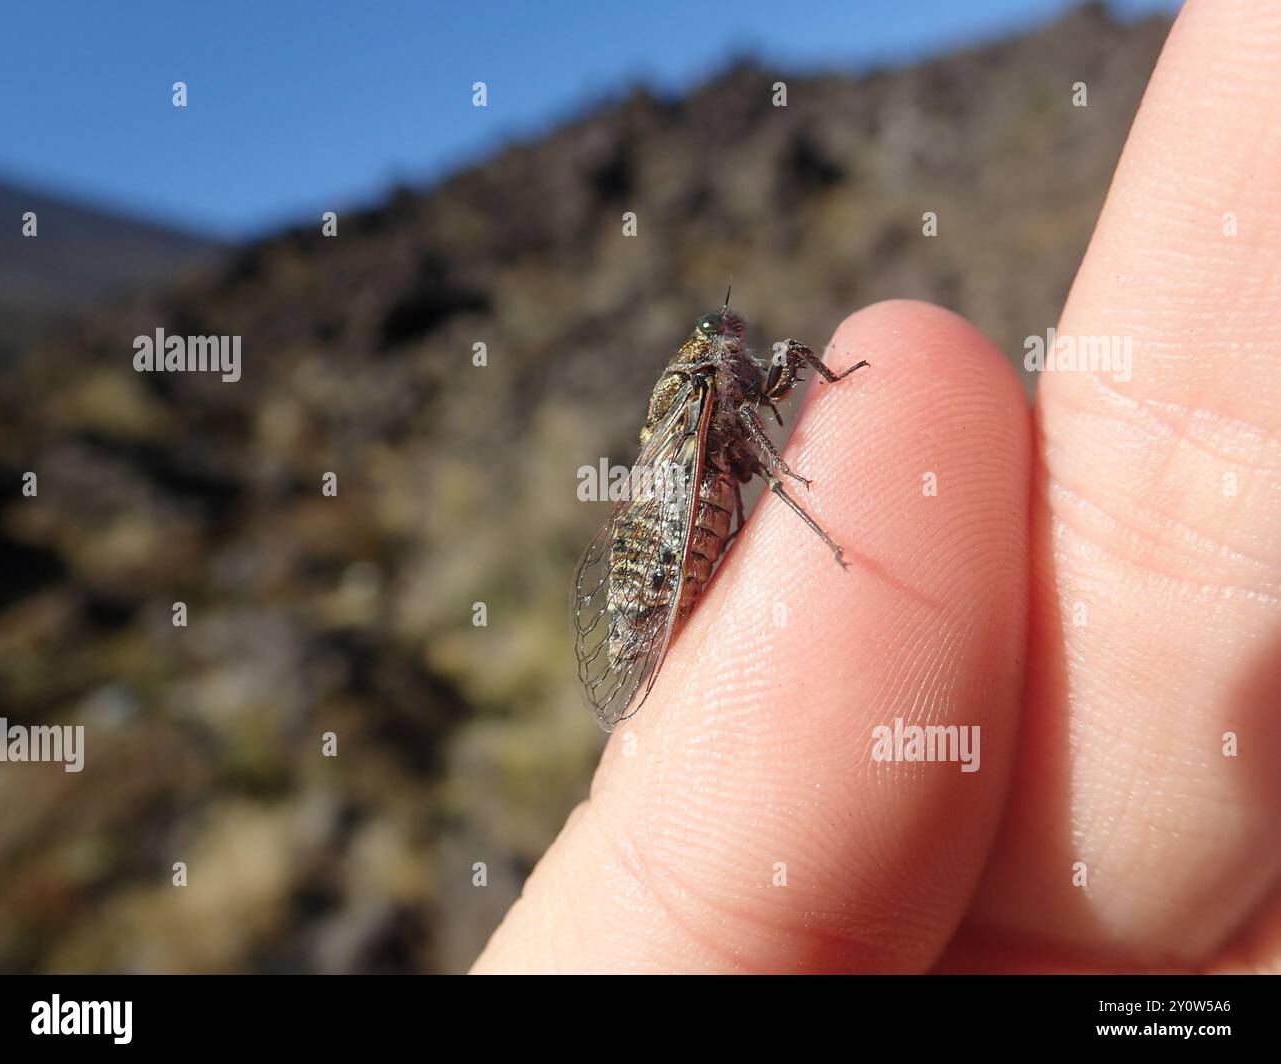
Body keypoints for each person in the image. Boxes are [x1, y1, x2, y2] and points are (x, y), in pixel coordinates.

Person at [474, 0, 1281, 974]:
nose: (737, 343)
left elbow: (764, 418)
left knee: (829, 382)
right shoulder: (699, 394)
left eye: (731, 340)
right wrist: (807, 511)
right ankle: (788, 536)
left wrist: (829, 390)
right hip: (675, 521)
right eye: (725, 342)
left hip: (711, 484)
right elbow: (735, 455)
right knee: (768, 484)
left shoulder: (739, 373)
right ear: (707, 358)